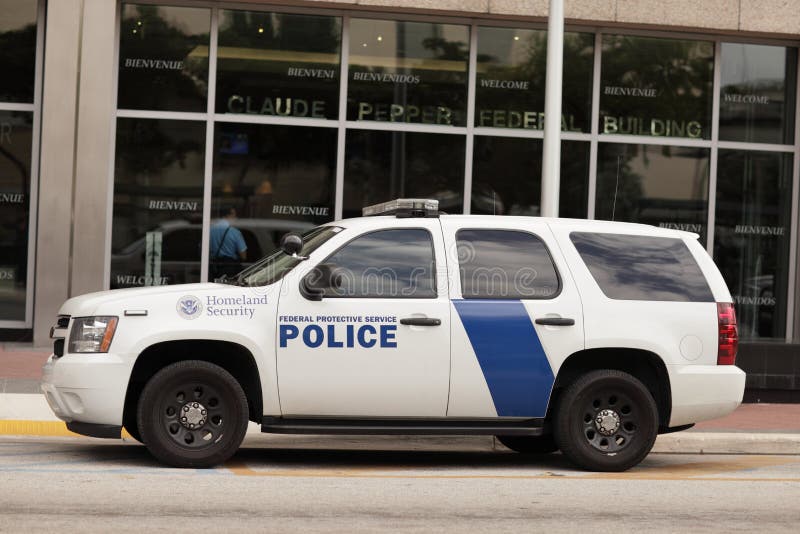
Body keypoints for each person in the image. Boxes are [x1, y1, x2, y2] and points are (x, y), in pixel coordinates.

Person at [210, 207, 247, 280]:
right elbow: (243, 255)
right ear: (228, 216)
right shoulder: (234, 232)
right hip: (229, 267)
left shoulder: (210, 230)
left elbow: (202, 248)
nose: (235, 218)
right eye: (234, 215)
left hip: (214, 266)